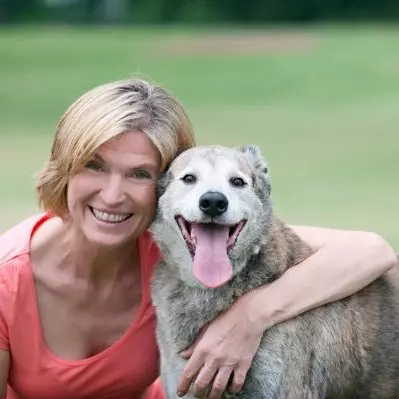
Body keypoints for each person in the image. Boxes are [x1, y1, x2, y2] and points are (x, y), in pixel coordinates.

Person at [0, 77, 396, 399]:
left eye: (139, 174)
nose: (113, 195)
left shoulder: (174, 248)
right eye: (94, 167)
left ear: (159, 189)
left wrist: (250, 317)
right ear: (63, 167)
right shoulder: (7, 280)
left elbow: (371, 250)